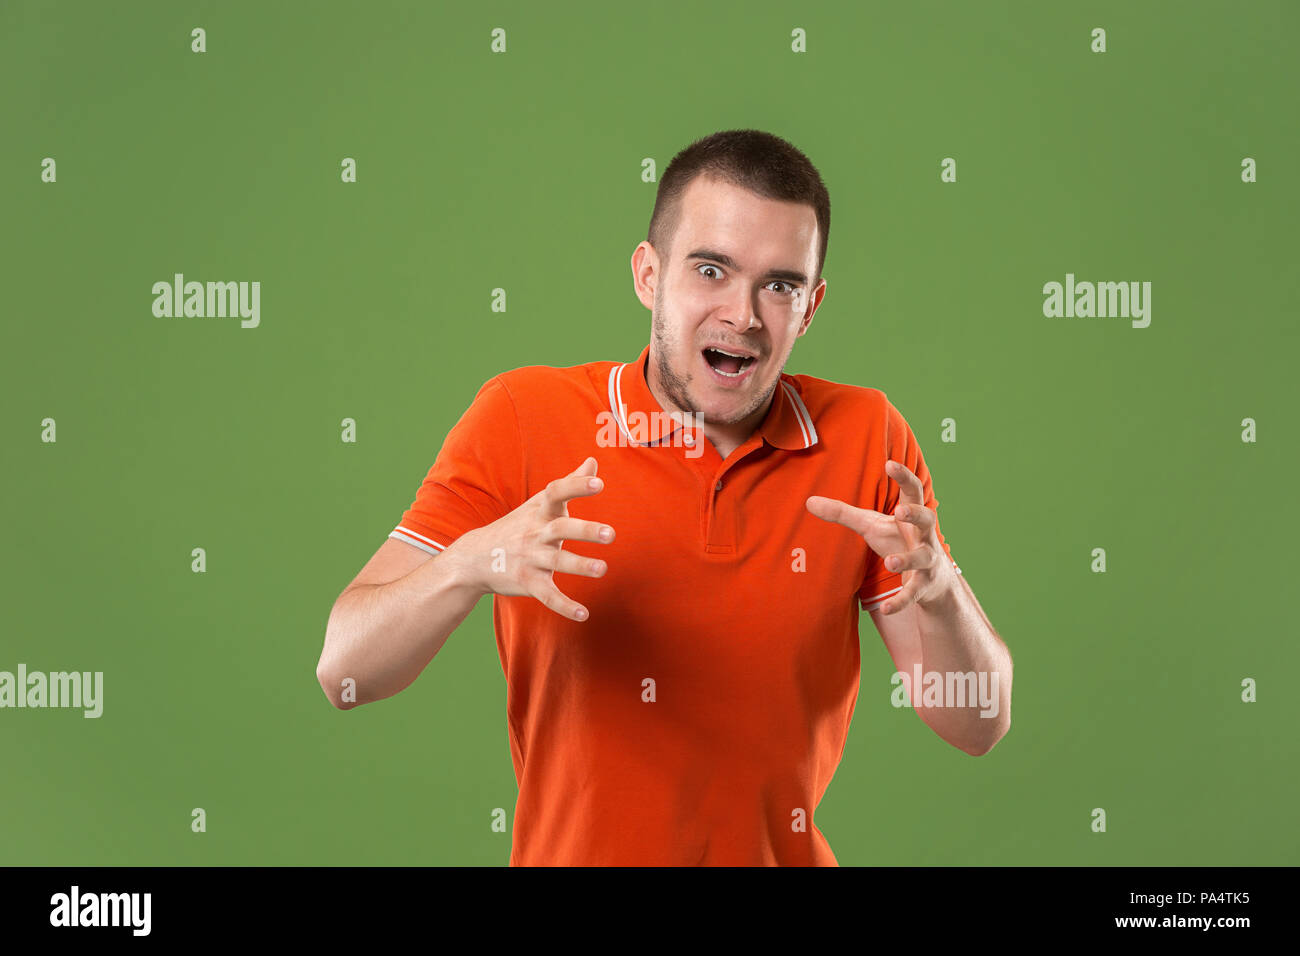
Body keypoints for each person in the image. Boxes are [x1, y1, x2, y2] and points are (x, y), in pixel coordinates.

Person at [316, 129, 1013, 866]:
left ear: (810, 307)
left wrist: (942, 596)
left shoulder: (869, 437)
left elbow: (978, 725)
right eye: (711, 269)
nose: (743, 314)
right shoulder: (522, 417)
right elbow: (344, 671)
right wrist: (466, 564)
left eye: (780, 284)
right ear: (649, 275)